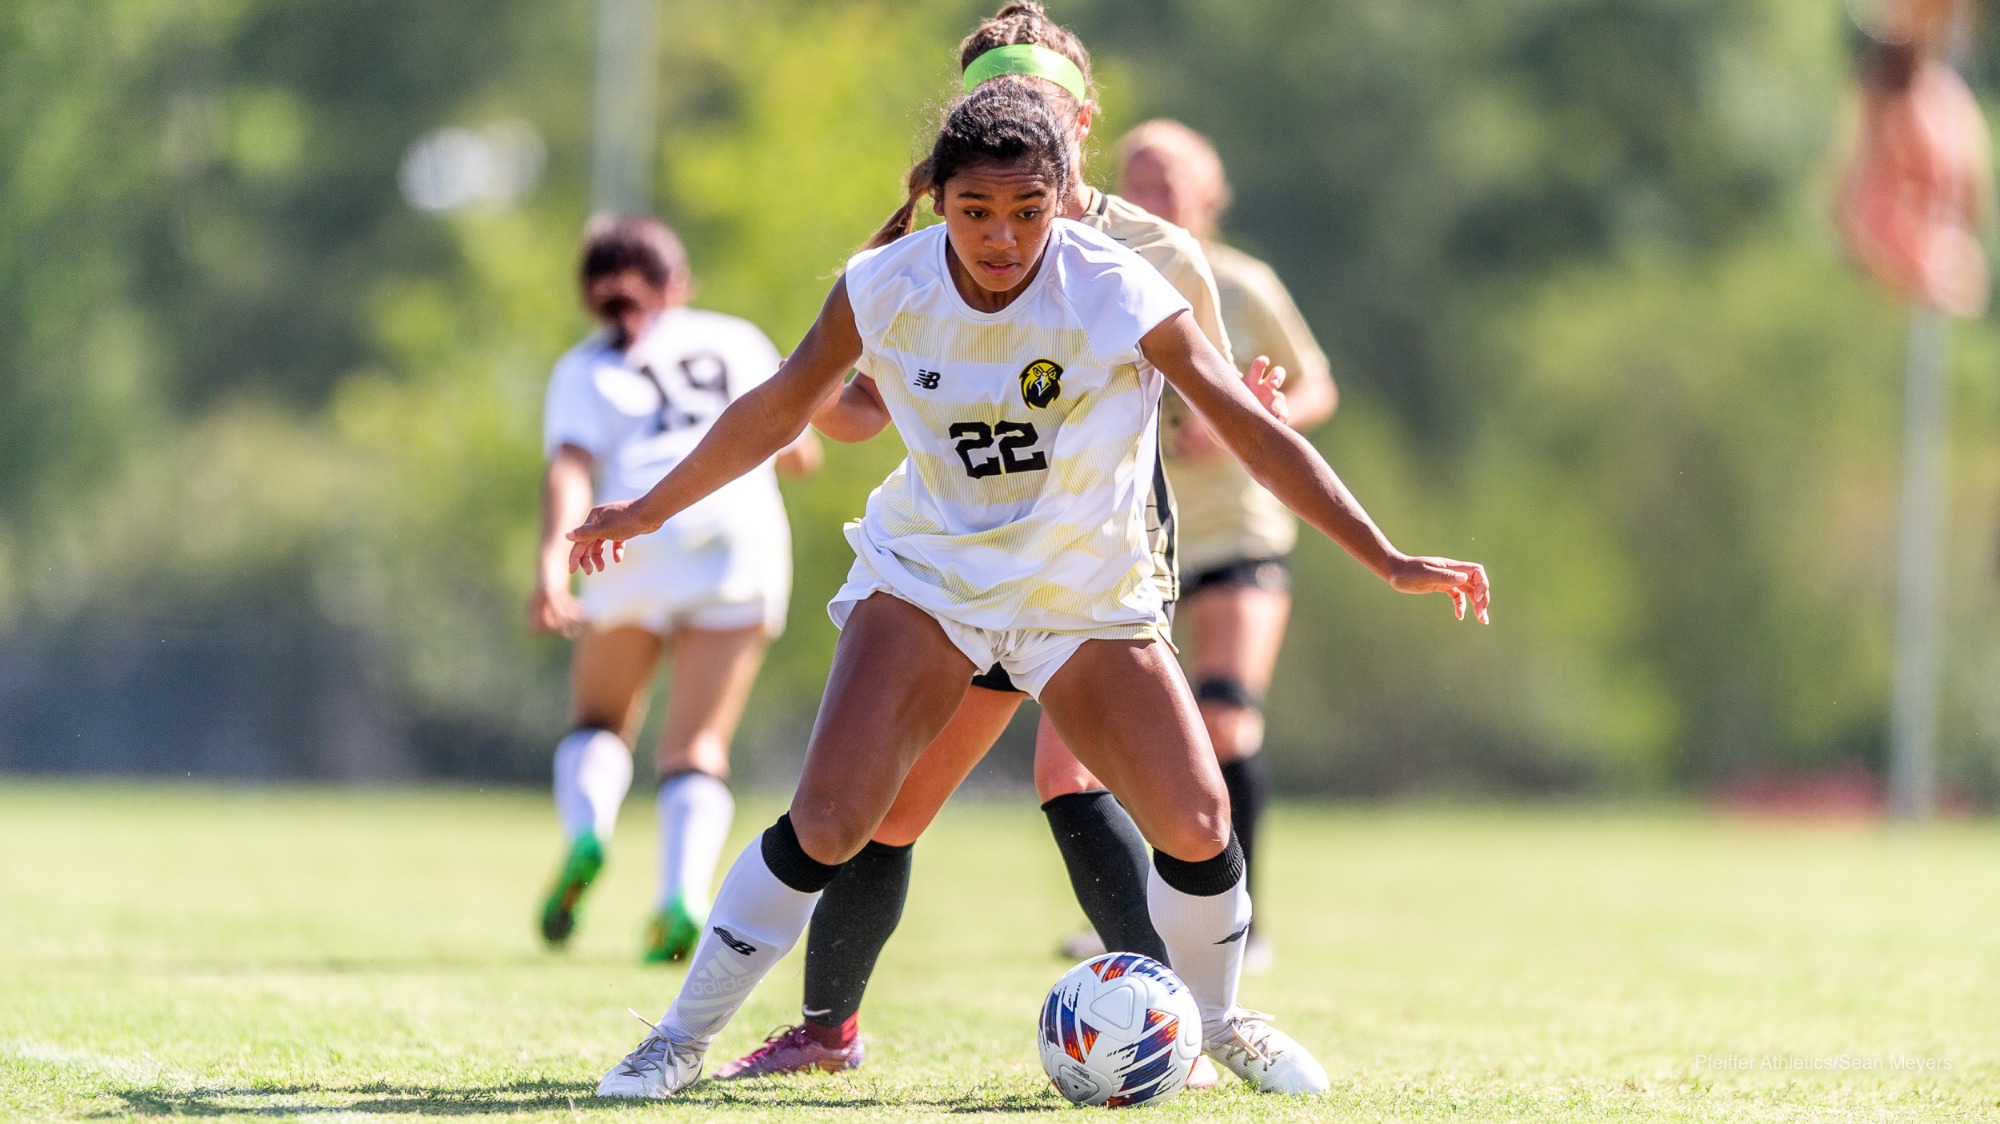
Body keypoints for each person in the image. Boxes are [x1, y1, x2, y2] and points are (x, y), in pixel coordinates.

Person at [572, 77, 1488, 1100]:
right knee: (829, 821)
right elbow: (778, 408)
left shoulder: (1118, 287)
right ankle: (675, 1039)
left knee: (1197, 822)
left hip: (1081, 593)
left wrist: (1386, 555)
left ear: (1061, 200)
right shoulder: (883, 283)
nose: (1000, 236)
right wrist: (644, 509)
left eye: (1026, 211)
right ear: (940, 202)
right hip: (930, 578)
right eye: (974, 211)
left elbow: (1249, 428)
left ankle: (1219, 1023)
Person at [712, 2, 1249, 1080]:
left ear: (1080, 118)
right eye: (995, 96)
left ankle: (1181, 1029)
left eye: (1039, 95)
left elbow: (1211, 413)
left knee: (1072, 774)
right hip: (966, 562)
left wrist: (1249, 409)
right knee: (891, 807)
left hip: (1099, 558)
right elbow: (860, 410)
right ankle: (826, 1030)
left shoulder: (1152, 249)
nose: (1018, 111)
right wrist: (800, 397)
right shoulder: (941, 233)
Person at [529, 213, 820, 963]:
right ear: (679, 283)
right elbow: (800, 452)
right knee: (696, 747)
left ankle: (589, 830)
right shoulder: (735, 337)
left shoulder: (585, 368)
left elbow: (569, 469)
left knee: (599, 720)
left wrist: (552, 566)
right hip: (735, 535)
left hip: (632, 529)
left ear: (589, 294)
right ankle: (682, 897)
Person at [1115, 117, 1340, 972]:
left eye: (1170, 180)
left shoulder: (1245, 286)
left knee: (1225, 716)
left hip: (1237, 528)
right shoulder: (1098, 277)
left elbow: (1317, 385)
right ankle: (1140, 913)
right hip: (1134, 535)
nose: (1154, 195)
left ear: (1209, 195)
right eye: (1139, 179)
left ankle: (1244, 922)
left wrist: (1258, 418)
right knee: (1134, 734)